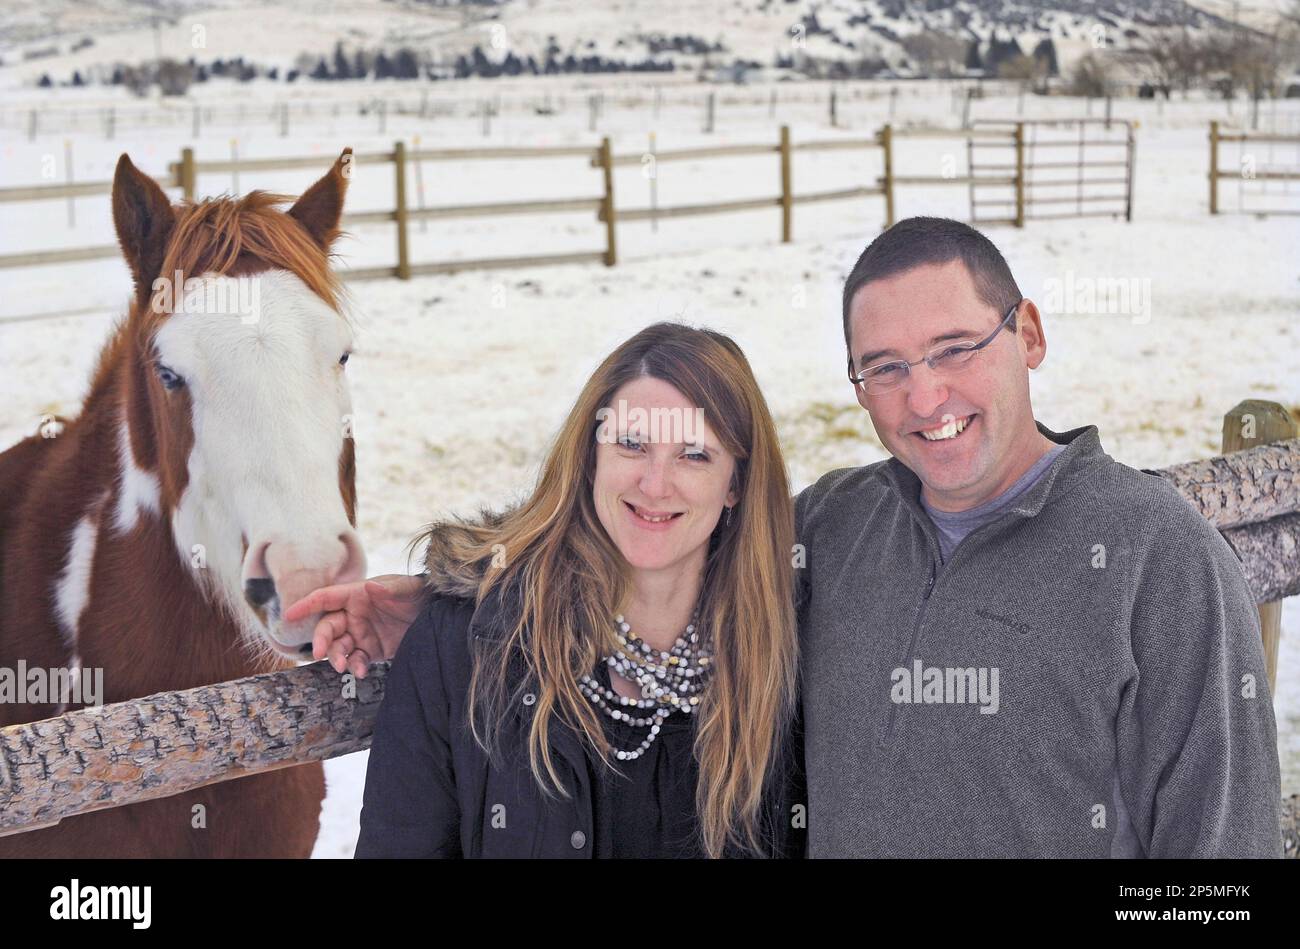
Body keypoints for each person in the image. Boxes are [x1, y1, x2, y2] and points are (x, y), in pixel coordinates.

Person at [793, 215, 1281, 857]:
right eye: (885, 368)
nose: (925, 396)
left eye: (955, 349)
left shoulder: (1160, 560)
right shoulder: (827, 529)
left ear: (1028, 335)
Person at [288, 322, 804, 858]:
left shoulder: (782, 654)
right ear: (590, 458)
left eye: (694, 455)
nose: (655, 483)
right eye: (631, 444)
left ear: (736, 485)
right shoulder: (462, 647)